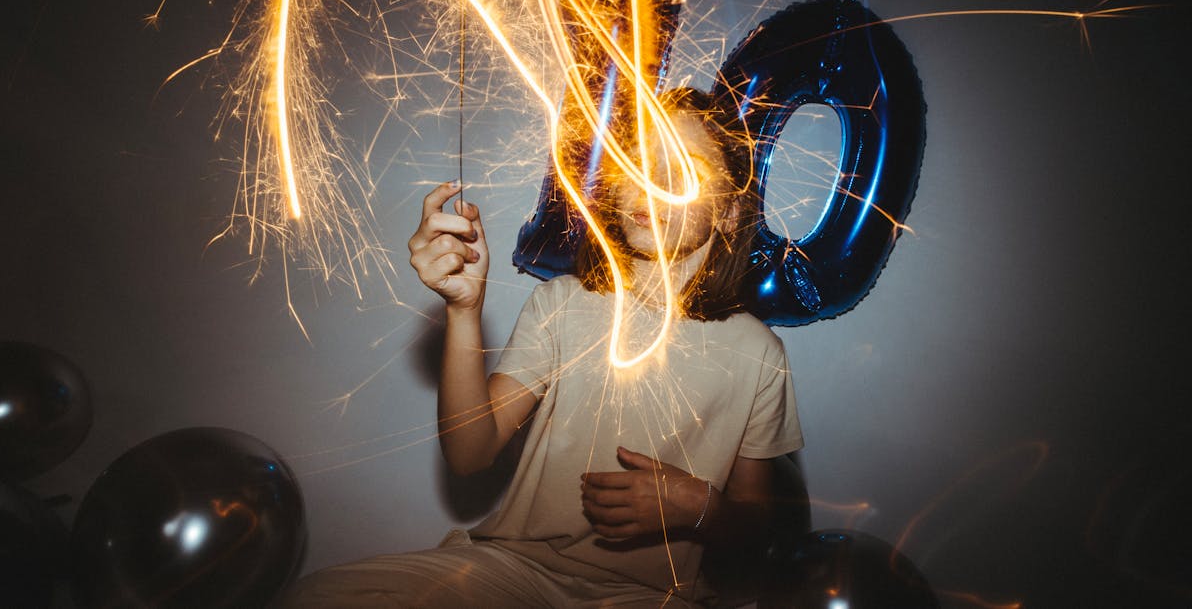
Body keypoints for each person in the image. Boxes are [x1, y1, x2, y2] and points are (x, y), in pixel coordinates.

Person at [280, 88, 803, 608]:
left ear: (731, 212)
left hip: (650, 597)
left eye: (685, 167)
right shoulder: (561, 302)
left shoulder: (758, 355)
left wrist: (696, 505)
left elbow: (757, 532)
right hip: (515, 572)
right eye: (639, 158)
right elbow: (469, 454)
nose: (652, 182)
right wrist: (464, 309)